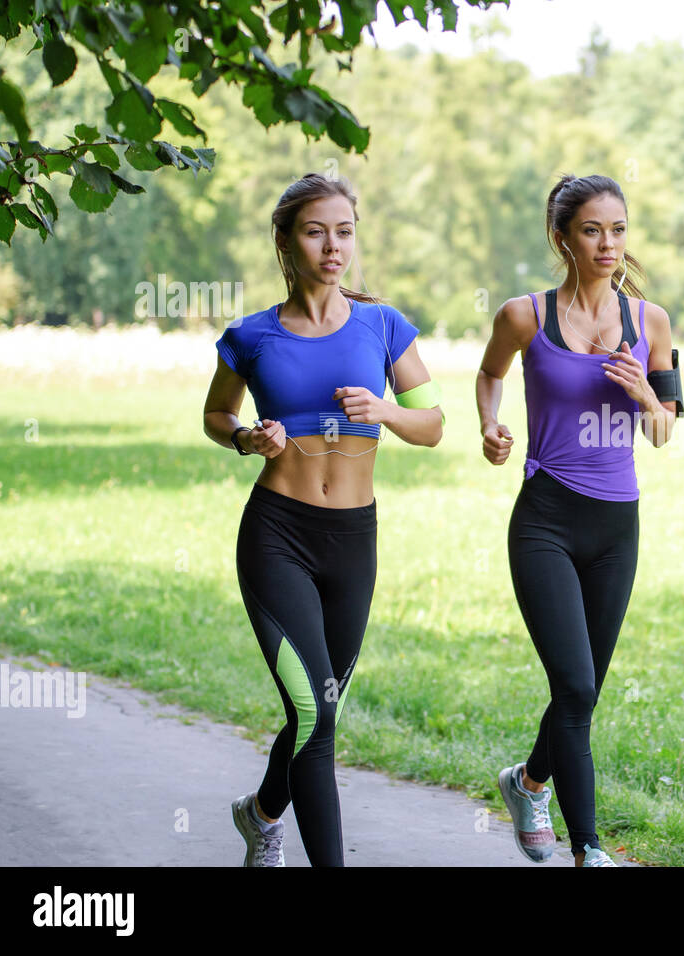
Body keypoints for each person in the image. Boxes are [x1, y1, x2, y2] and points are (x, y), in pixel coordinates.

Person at [201, 173, 444, 866]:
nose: (333, 246)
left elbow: (431, 424)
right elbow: (217, 416)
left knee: (322, 709)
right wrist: (247, 437)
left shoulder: (384, 326)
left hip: (353, 542)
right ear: (285, 241)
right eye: (316, 231)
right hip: (278, 534)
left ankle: (260, 813)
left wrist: (387, 411)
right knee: (314, 713)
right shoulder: (250, 336)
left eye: (344, 231)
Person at [476, 174, 684, 867]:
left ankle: (527, 782)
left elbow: (666, 431)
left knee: (584, 687)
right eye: (593, 230)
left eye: (619, 229)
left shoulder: (649, 321)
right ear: (563, 238)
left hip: (615, 527)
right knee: (574, 686)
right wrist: (491, 426)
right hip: (545, 520)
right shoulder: (524, 316)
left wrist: (644, 398)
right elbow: (490, 374)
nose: (609, 243)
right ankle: (589, 848)